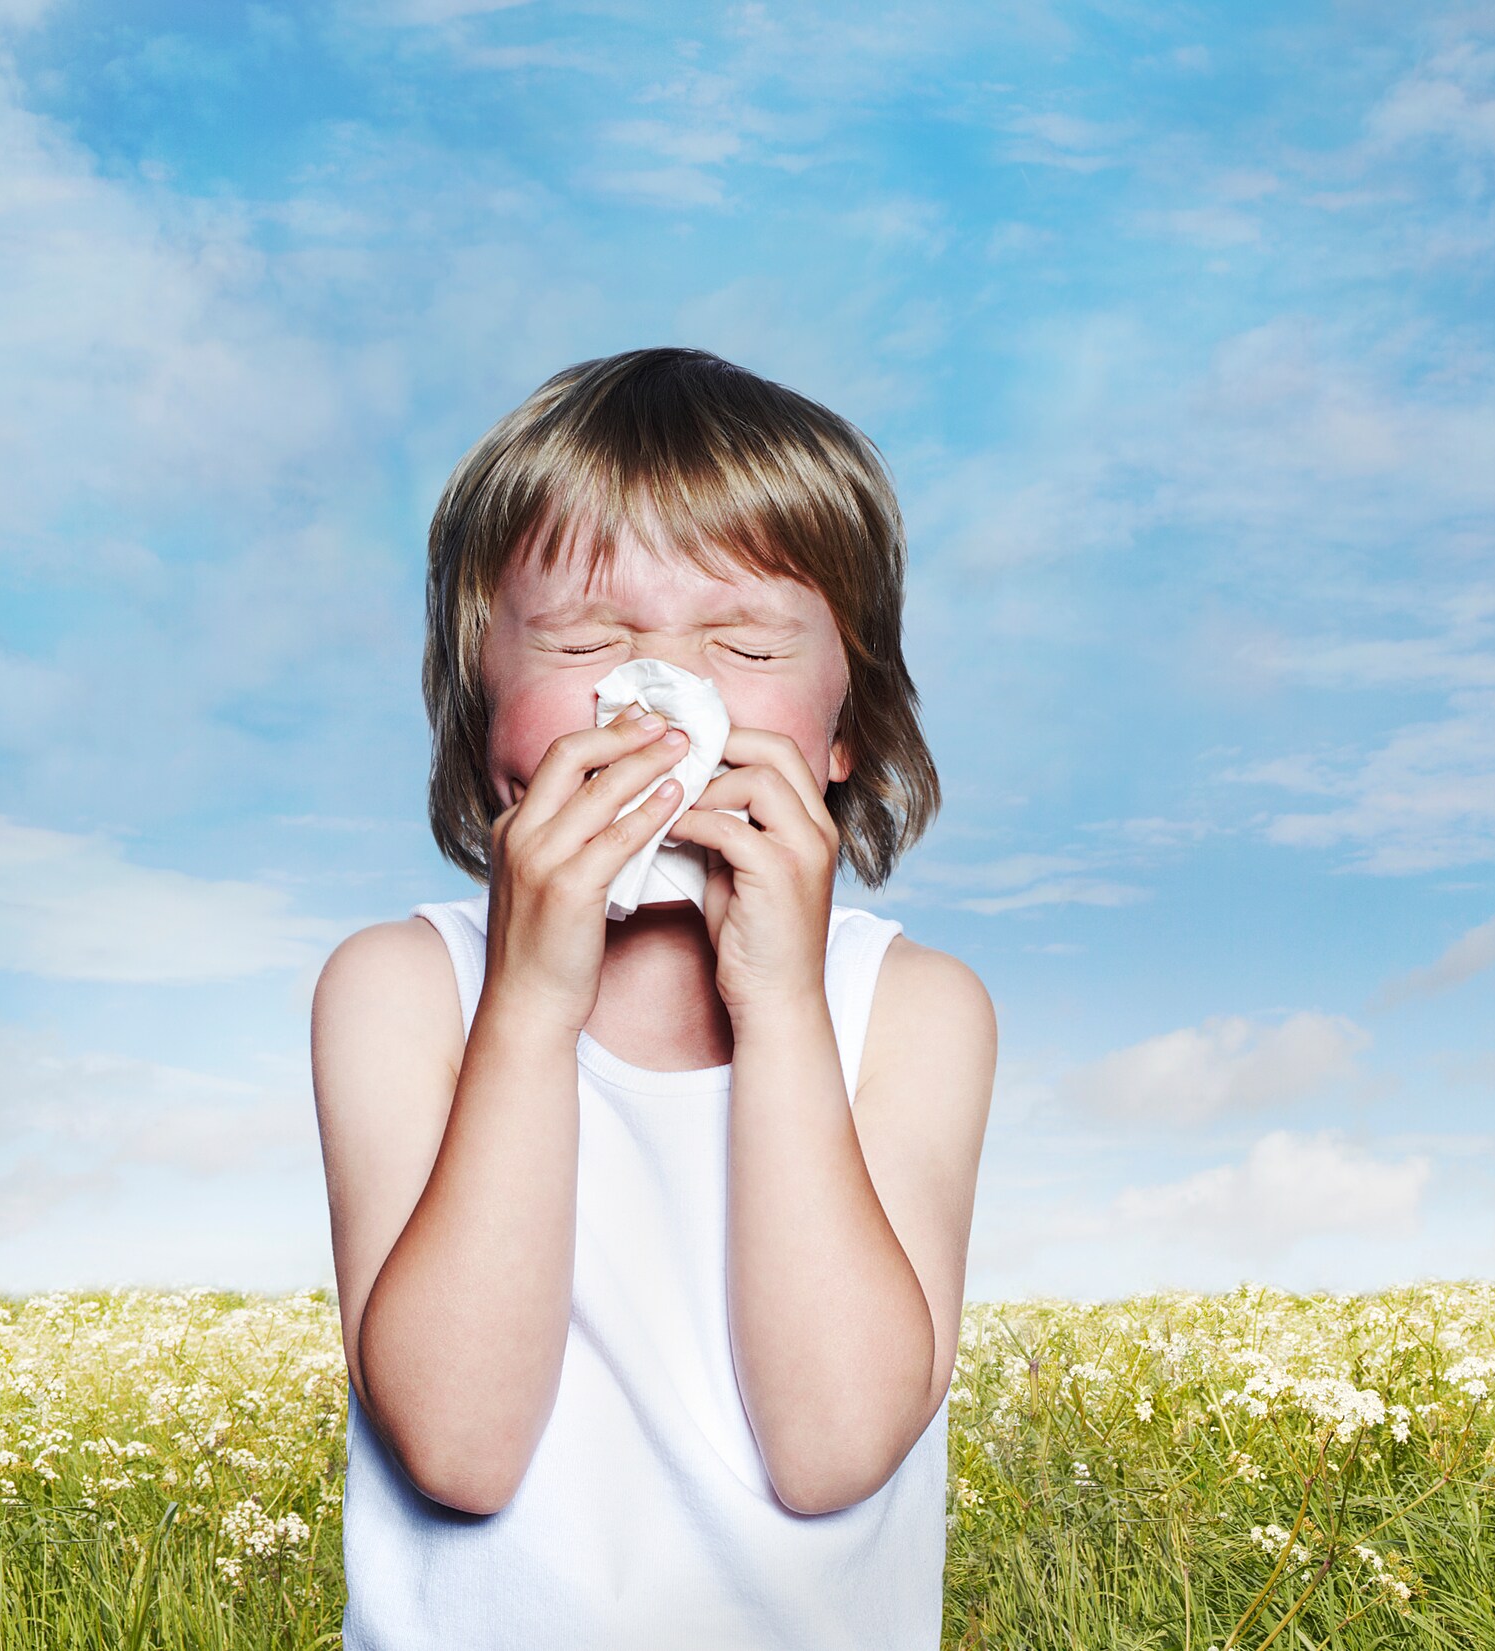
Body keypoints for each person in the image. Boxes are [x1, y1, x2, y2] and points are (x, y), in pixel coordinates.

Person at [310, 348, 995, 1649]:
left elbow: (834, 1450)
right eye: (584, 644)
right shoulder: (401, 992)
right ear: (484, 708)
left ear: (847, 731)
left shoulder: (910, 1012)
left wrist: (783, 1005)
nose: (660, 701)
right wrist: (527, 1003)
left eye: (741, 645)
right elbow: (456, 1449)